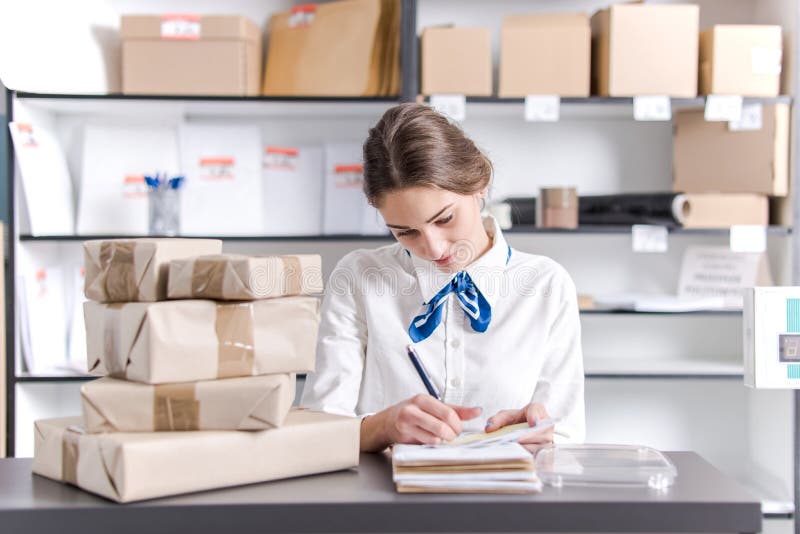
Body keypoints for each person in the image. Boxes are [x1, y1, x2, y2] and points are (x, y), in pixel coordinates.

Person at [301, 103, 585, 452]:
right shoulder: (359, 277)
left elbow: (569, 435)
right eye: (405, 232)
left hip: (507, 498)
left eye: (445, 219)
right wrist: (383, 426)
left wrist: (543, 433)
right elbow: (318, 429)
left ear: (480, 184)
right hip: (384, 500)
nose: (433, 248)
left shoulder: (546, 284)